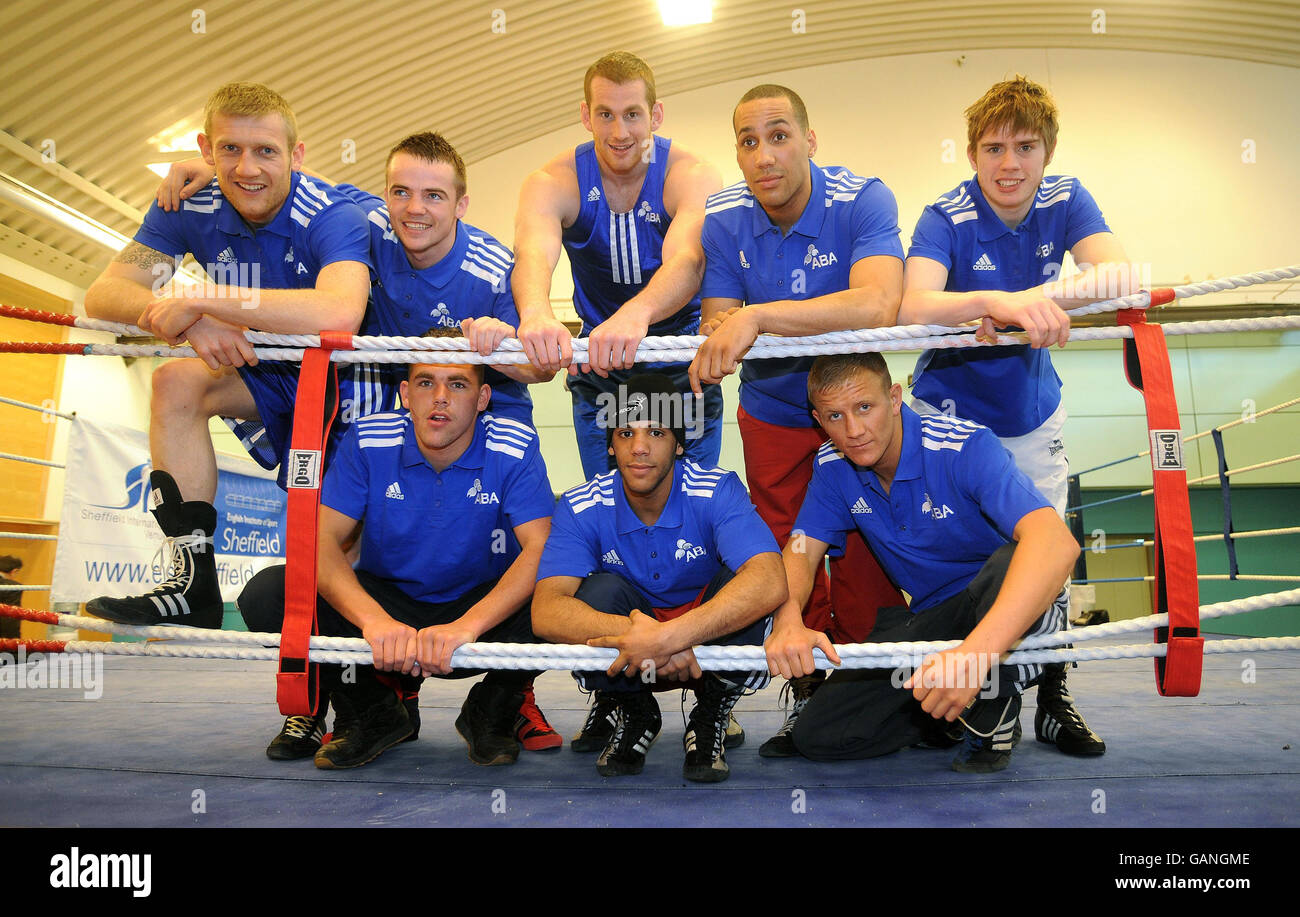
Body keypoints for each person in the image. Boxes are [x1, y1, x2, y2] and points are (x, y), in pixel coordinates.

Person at [83, 82, 373, 630]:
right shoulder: (186, 201)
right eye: (230, 149)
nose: (248, 168)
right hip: (268, 377)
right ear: (205, 148)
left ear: (297, 155)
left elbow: (338, 313)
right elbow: (104, 293)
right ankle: (192, 582)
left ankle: (365, 697)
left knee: (339, 563)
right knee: (176, 383)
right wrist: (184, 314)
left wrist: (206, 299)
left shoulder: (333, 213)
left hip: (355, 392)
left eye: (266, 150)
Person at [898, 75, 1130, 756]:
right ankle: (959, 691)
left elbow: (1118, 274)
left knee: (1047, 558)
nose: (1009, 163)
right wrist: (1003, 301)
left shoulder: (1066, 197)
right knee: (951, 554)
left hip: (1030, 419)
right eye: (994, 147)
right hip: (946, 420)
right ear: (972, 154)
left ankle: (1053, 692)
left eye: (1025, 146)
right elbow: (915, 305)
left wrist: (1042, 296)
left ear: (1047, 151)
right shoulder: (945, 214)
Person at [686, 84, 908, 754]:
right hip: (775, 410)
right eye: (748, 142)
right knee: (788, 547)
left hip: (851, 408)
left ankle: (879, 686)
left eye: (779, 135)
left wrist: (762, 314)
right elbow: (717, 323)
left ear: (811, 140)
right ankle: (811, 686)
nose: (764, 155)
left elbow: (878, 304)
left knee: (870, 541)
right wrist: (743, 319)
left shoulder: (863, 198)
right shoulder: (723, 217)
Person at [237, 339, 558, 768]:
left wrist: (465, 626)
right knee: (270, 593)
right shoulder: (369, 438)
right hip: (388, 606)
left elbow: (541, 549)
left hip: (480, 608)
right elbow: (321, 543)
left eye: (458, 384)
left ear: (483, 399)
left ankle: (494, 706)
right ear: (405, 394)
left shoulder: (514, 443)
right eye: (426, 382)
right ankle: (372, 710)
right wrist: (375, 622)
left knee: (570, 593)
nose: (440, 397)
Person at [766, 352, 1079, 772]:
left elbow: (1058, 543)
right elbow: (801, 553)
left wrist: (974, 657)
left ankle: (994, 699)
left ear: (895, 398)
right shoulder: (830, 468)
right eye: (834, 416)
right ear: (818, 421)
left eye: (864, 407)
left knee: (1011, 561)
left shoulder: (964, 445)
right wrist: (788, 622)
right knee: (821, 736)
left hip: (1003, 615)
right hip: (932, 622)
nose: (854, 430)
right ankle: (950, 714)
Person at [157, 130, 553, 427]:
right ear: (385, 195)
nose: (414, 209)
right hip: (404, 405)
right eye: (401, 192)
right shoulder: (370, 221)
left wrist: (498, 346)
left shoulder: (496, 267)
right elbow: (306, 181)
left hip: (495, 416)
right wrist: (216, 170)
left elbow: (541, 369)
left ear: (461, 205)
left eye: (433, 195)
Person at [532, 374, 786, 782]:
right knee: (596, 590)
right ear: (610, 445)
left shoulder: (716, 490)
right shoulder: (582, 504)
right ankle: (633, 709)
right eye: (625, 432)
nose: (639, 447)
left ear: (680, 444)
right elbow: (546, 611)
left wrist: (672, 637)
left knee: (745, 582)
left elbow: (771, 580)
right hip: (636, 639)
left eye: (657, 431)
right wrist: (640, 636)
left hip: (697, 638)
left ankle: (712, 708)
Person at [512, 50, 725, 480]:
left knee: (695, 503)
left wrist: (635, 315)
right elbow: (534, 252)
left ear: (656, 114)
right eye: (605, 114)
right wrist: (537, 313)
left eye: (632, 114)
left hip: (681, 359)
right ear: (585, 116)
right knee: (606, 501)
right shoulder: (552, 181)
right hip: (600, 364)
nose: (620, 131)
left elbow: (688, 261)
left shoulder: (691, 173)